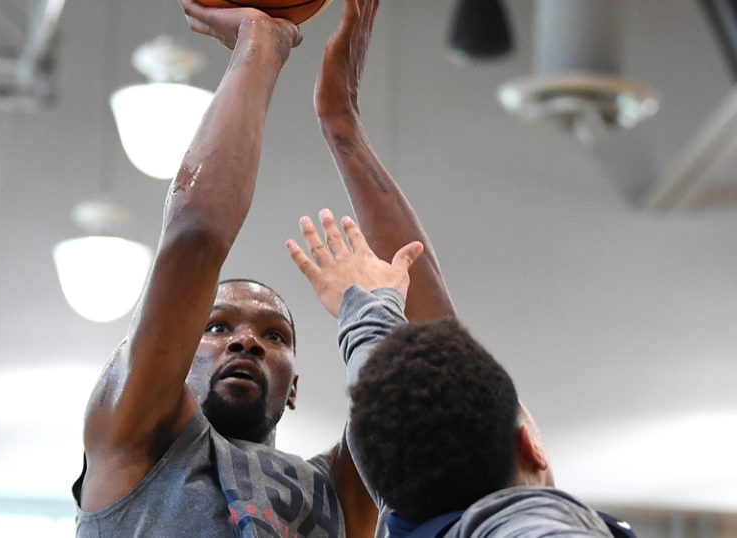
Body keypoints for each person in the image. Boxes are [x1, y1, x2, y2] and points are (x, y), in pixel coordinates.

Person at [72, 0, 454, 537]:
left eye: (274, 335)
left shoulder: (339, 490)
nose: (245, 342)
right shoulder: (128, 440)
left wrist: (343, 124)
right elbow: (195, 238)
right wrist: (261, 43)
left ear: (295, 386)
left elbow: (447, 362)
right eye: (217, 326)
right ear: (178, 354)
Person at [286, 214, 636, 538]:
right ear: (531, 449)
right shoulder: (529, 522)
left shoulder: (405, 521)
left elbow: (397, 408)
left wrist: (366, 308)